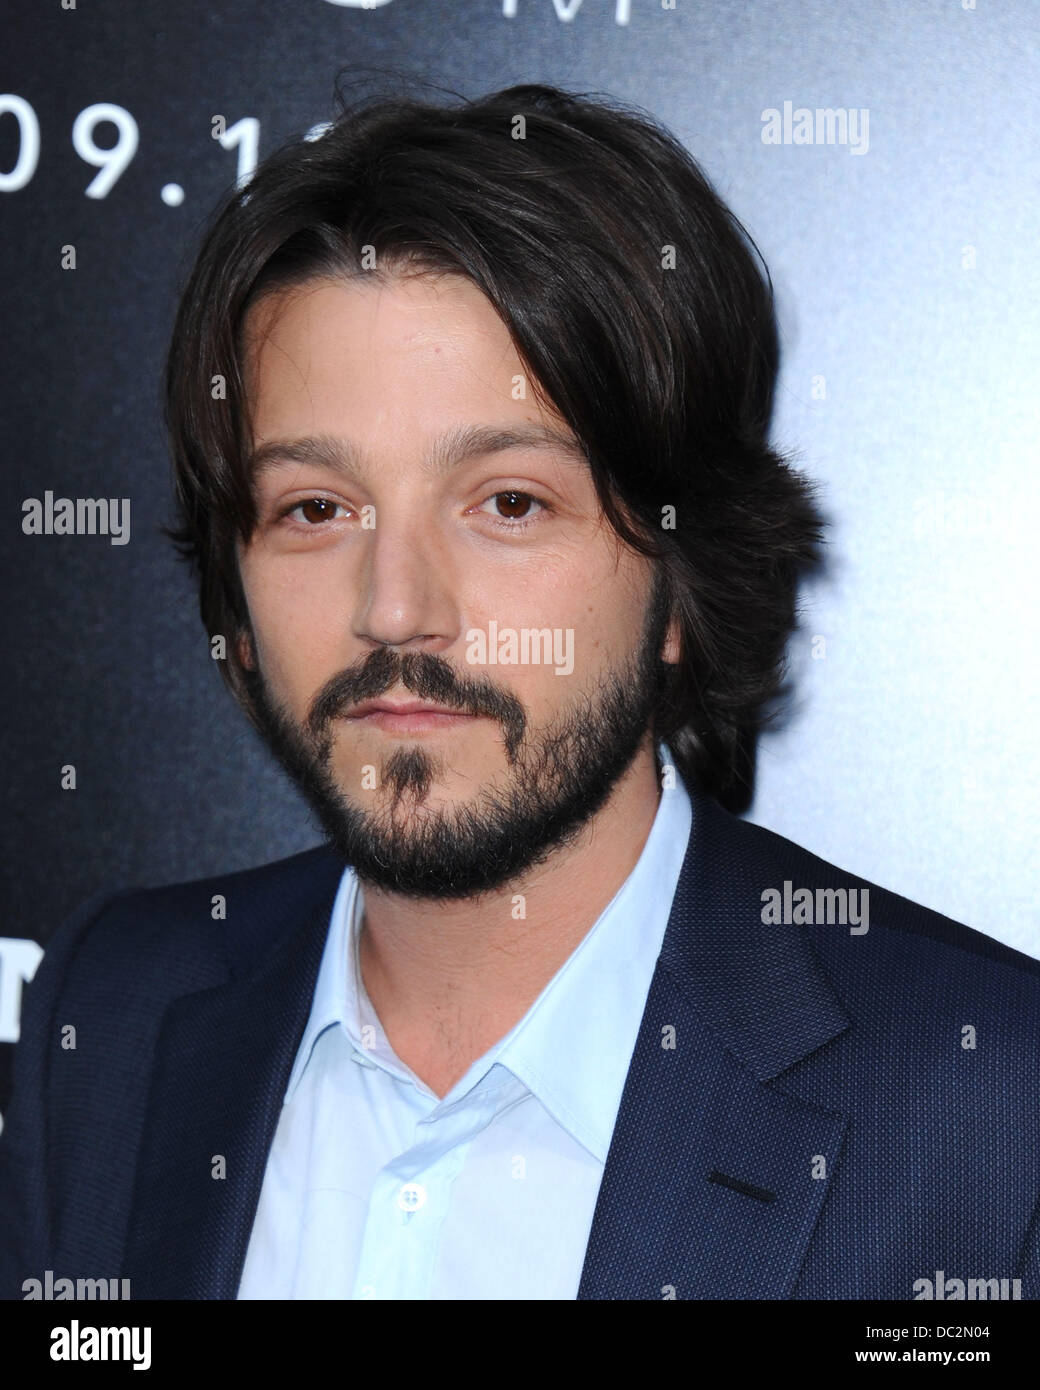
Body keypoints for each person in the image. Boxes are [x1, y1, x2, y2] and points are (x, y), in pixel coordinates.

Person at [2, 82, 1038, 1302]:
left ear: (680, 575)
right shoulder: (115, 1010)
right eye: (314, 510)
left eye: (508, 502)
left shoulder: (986, 1112)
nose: (393, 609)